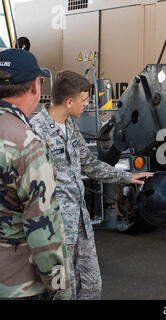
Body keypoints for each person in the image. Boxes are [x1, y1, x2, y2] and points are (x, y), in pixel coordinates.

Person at [30, 70, 154, 300]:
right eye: (84, 99)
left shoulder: (70, 127)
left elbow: (89, 164)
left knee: (91, 288)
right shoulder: (35, 132)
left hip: (79, 225)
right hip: (53, 231)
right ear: (69, 102)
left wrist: (127, 177)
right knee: (59, 293)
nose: (87, 104)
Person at [0, 49, 71, 300]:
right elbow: (43, 232)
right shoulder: (27, 143)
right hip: (17, 286)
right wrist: (60, 289)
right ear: (34, 86)